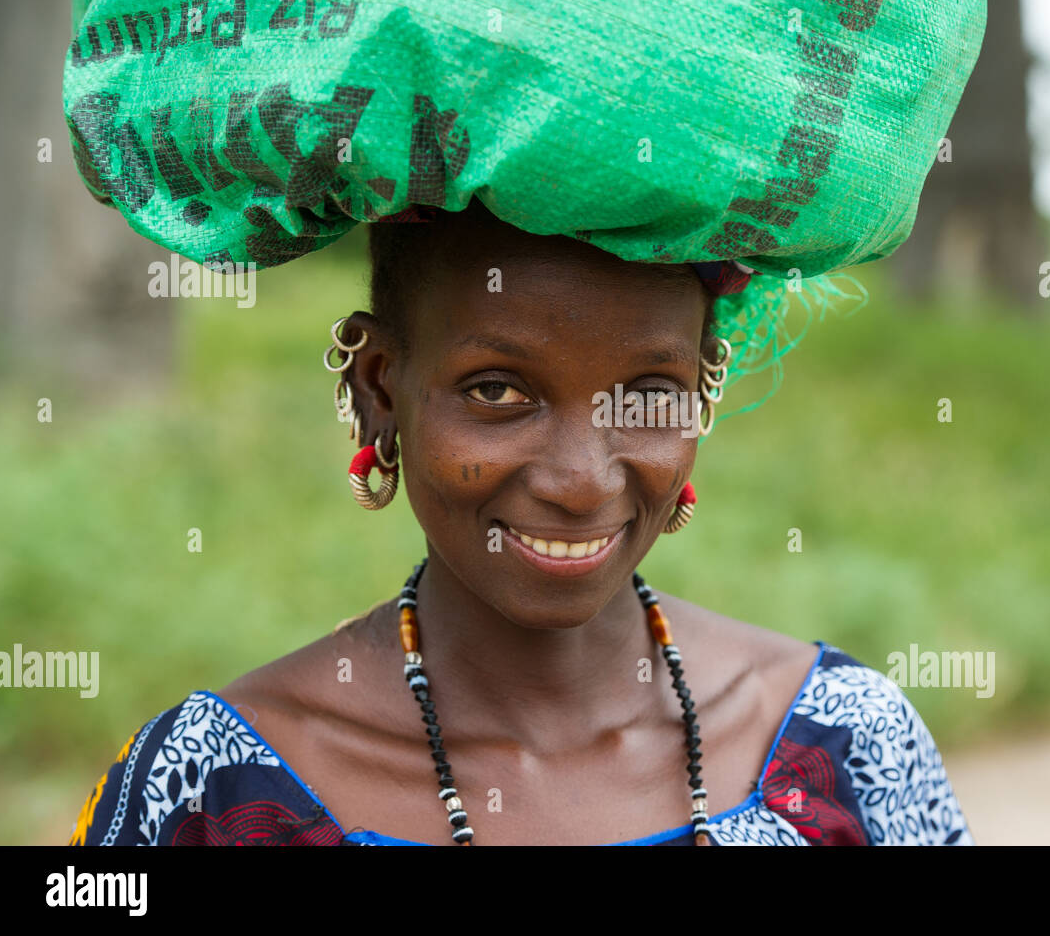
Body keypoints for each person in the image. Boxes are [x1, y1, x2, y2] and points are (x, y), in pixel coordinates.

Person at [68, 198, 974, 847]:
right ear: (380, 390)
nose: (582, 481)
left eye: (648, 395)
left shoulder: (845, 743)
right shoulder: (208, 789)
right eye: (498, 390)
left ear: (703, 392)